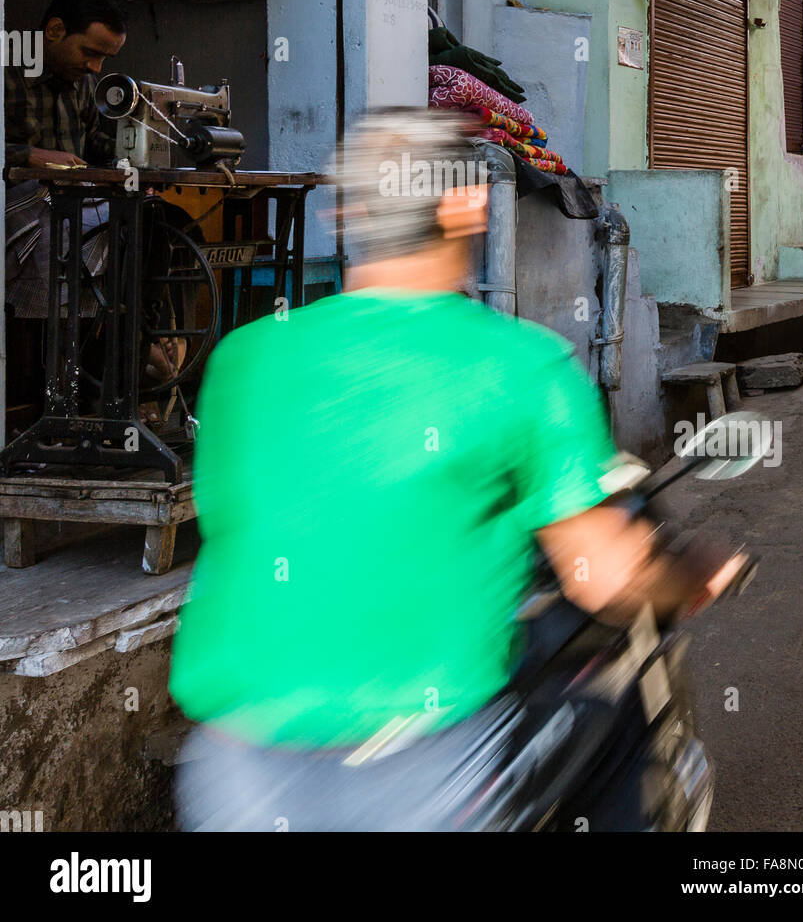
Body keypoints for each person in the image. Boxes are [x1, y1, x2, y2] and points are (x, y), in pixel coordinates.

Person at [171, 108, 745, 832]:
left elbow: (246, 519)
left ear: (347, 216)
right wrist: (689, 576)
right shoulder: (518, 365)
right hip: (419, 774)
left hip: (229, 769)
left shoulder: (246, 360)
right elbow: (603, 577)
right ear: (466, 206)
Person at [4, 0, 126, 319]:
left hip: (67, 209)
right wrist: (28, 155)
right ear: (55, 30)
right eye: (90, 53)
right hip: (18, 217)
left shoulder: (83, 82)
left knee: (158, 224)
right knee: (60, 230)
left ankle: (144, 340)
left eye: (104, 58)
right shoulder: (7, 69)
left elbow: (93, 141)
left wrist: (135, 149)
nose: (96, 67)